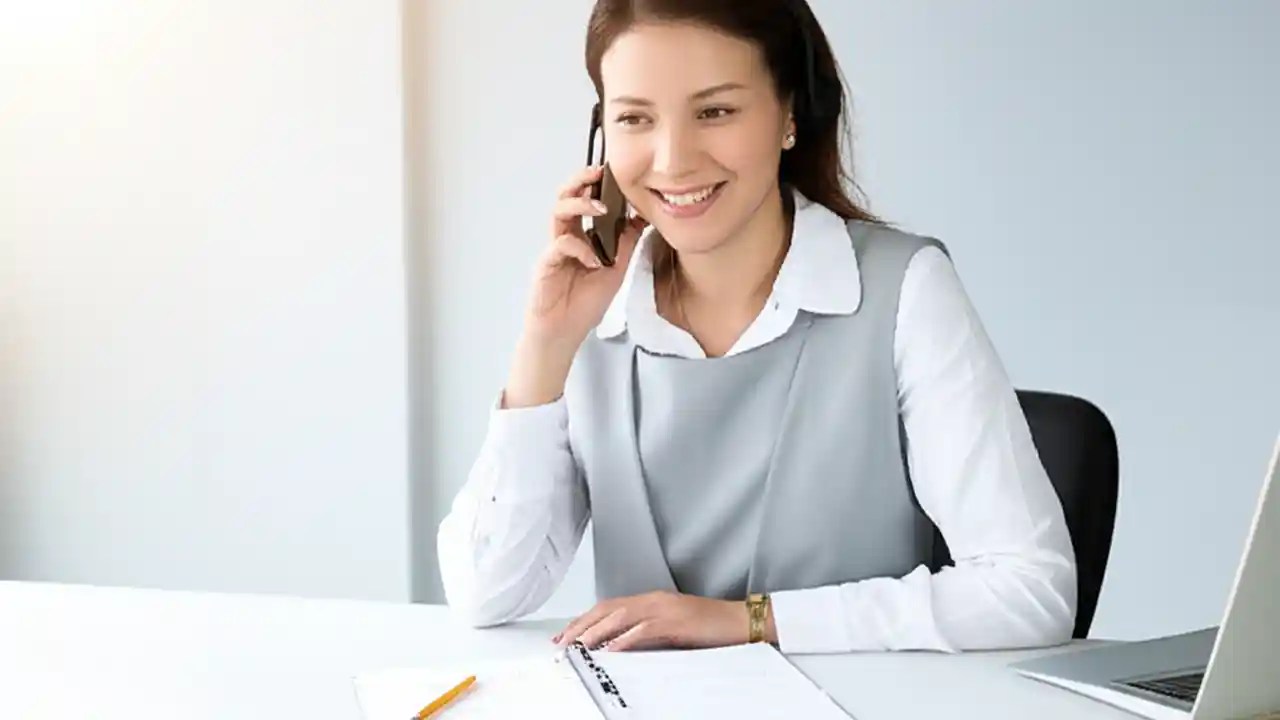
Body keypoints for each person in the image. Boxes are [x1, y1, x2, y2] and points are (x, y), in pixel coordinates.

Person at [437, 0, 1077, 656]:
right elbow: (485, 592)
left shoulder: (903, 289)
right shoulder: (595, 314)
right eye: (635, 118)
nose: (673, 159)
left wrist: (748, 620)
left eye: (715, 111)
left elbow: (1031, 590)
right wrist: (546, 344)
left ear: (789, 115)